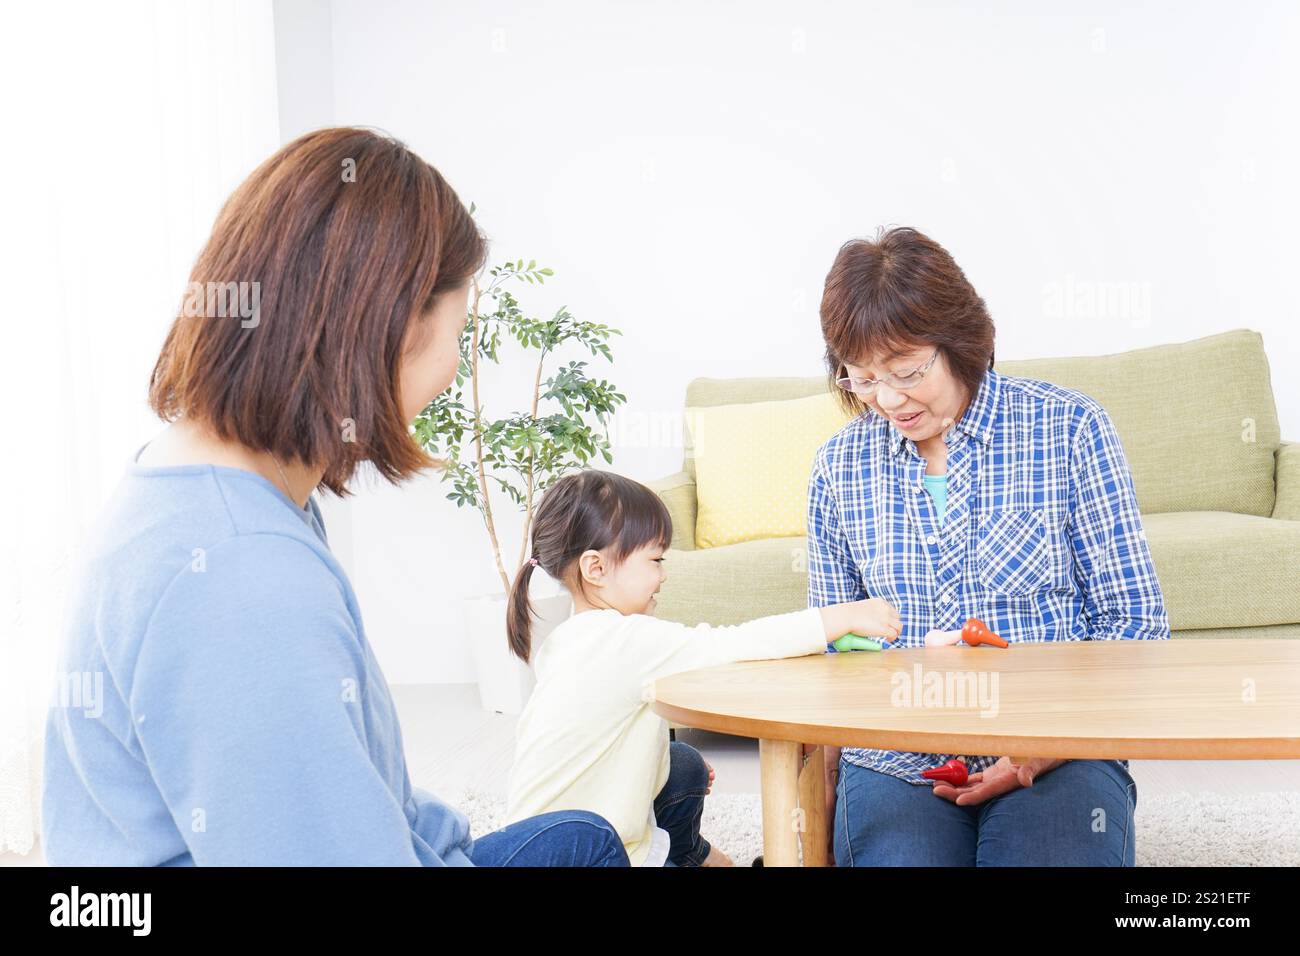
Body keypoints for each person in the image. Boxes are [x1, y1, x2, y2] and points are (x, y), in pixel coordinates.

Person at [41, 127, 628, 866]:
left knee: (583, 837)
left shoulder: (210, 490)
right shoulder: (243, 579)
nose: (455, 364)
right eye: (461, 330)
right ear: (389, 325)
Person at [809, 226, 1170, 866]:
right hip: (896, 757)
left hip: (1060, 743)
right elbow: (830, 645)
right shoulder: (839, 466)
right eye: (862, 379)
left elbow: (1135, 622)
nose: (888, 399)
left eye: (907, 371)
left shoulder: (1069, 428)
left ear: (958, 342)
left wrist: (1037, 749)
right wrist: (827, 782)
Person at [502, 469, 902, 866]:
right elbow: (731, 643)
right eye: (655, 559)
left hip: (553, 843)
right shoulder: (622, 640)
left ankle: (691, 854)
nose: (663, 574)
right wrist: (836, 618)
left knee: (681, 762)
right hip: (587, 857)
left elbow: (615, 740)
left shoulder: (572, 639)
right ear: (596, 569)